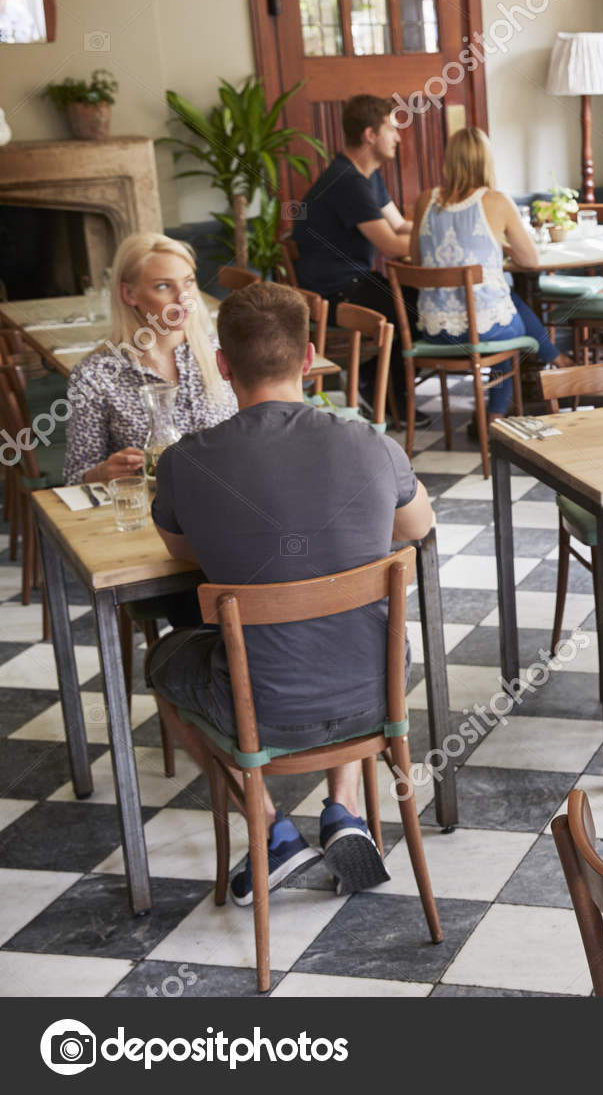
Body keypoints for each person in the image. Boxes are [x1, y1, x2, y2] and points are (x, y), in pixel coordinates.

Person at [146, 281, 436, 903]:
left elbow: (177, 551)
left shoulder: (183, 462)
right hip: (377, 691)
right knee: (344, 627)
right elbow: (418, 528)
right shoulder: (371, 443)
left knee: (162, 662)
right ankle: (344, 811)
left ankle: (271, 832)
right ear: (309, 359)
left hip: (263, 709)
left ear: (222, 366)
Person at [411, 127, 570, 434]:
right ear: (486, 161)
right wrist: (503, 245)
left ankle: (556, 358)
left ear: (449, 160)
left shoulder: (424, 201)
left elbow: (418, 264)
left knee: (507, 302)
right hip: (482, 331)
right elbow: (530, 261)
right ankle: (496, 415)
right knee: (504, 318)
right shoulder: (497, 201)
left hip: (433, 332)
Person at [64, 233, 237, 487]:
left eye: (188, 282)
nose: (184, 298)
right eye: (163, 286)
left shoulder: (222, 352)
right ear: (129, 294)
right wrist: (102, 473)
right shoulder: (94, 375)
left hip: (227, 502)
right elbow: (74, 477)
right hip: (149, 516)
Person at [291, 95, 415, 410]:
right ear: (370, 135)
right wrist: (442, 242)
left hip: (352, 283)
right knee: (417, 312)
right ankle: (385, 396)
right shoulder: (347, 181)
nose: (398, 137)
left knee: (417, 304)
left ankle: (375, 384)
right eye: (392, 129)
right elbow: (390, 245)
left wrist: (444, 228)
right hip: (334, 294)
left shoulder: (368, 176)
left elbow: (399, 225)